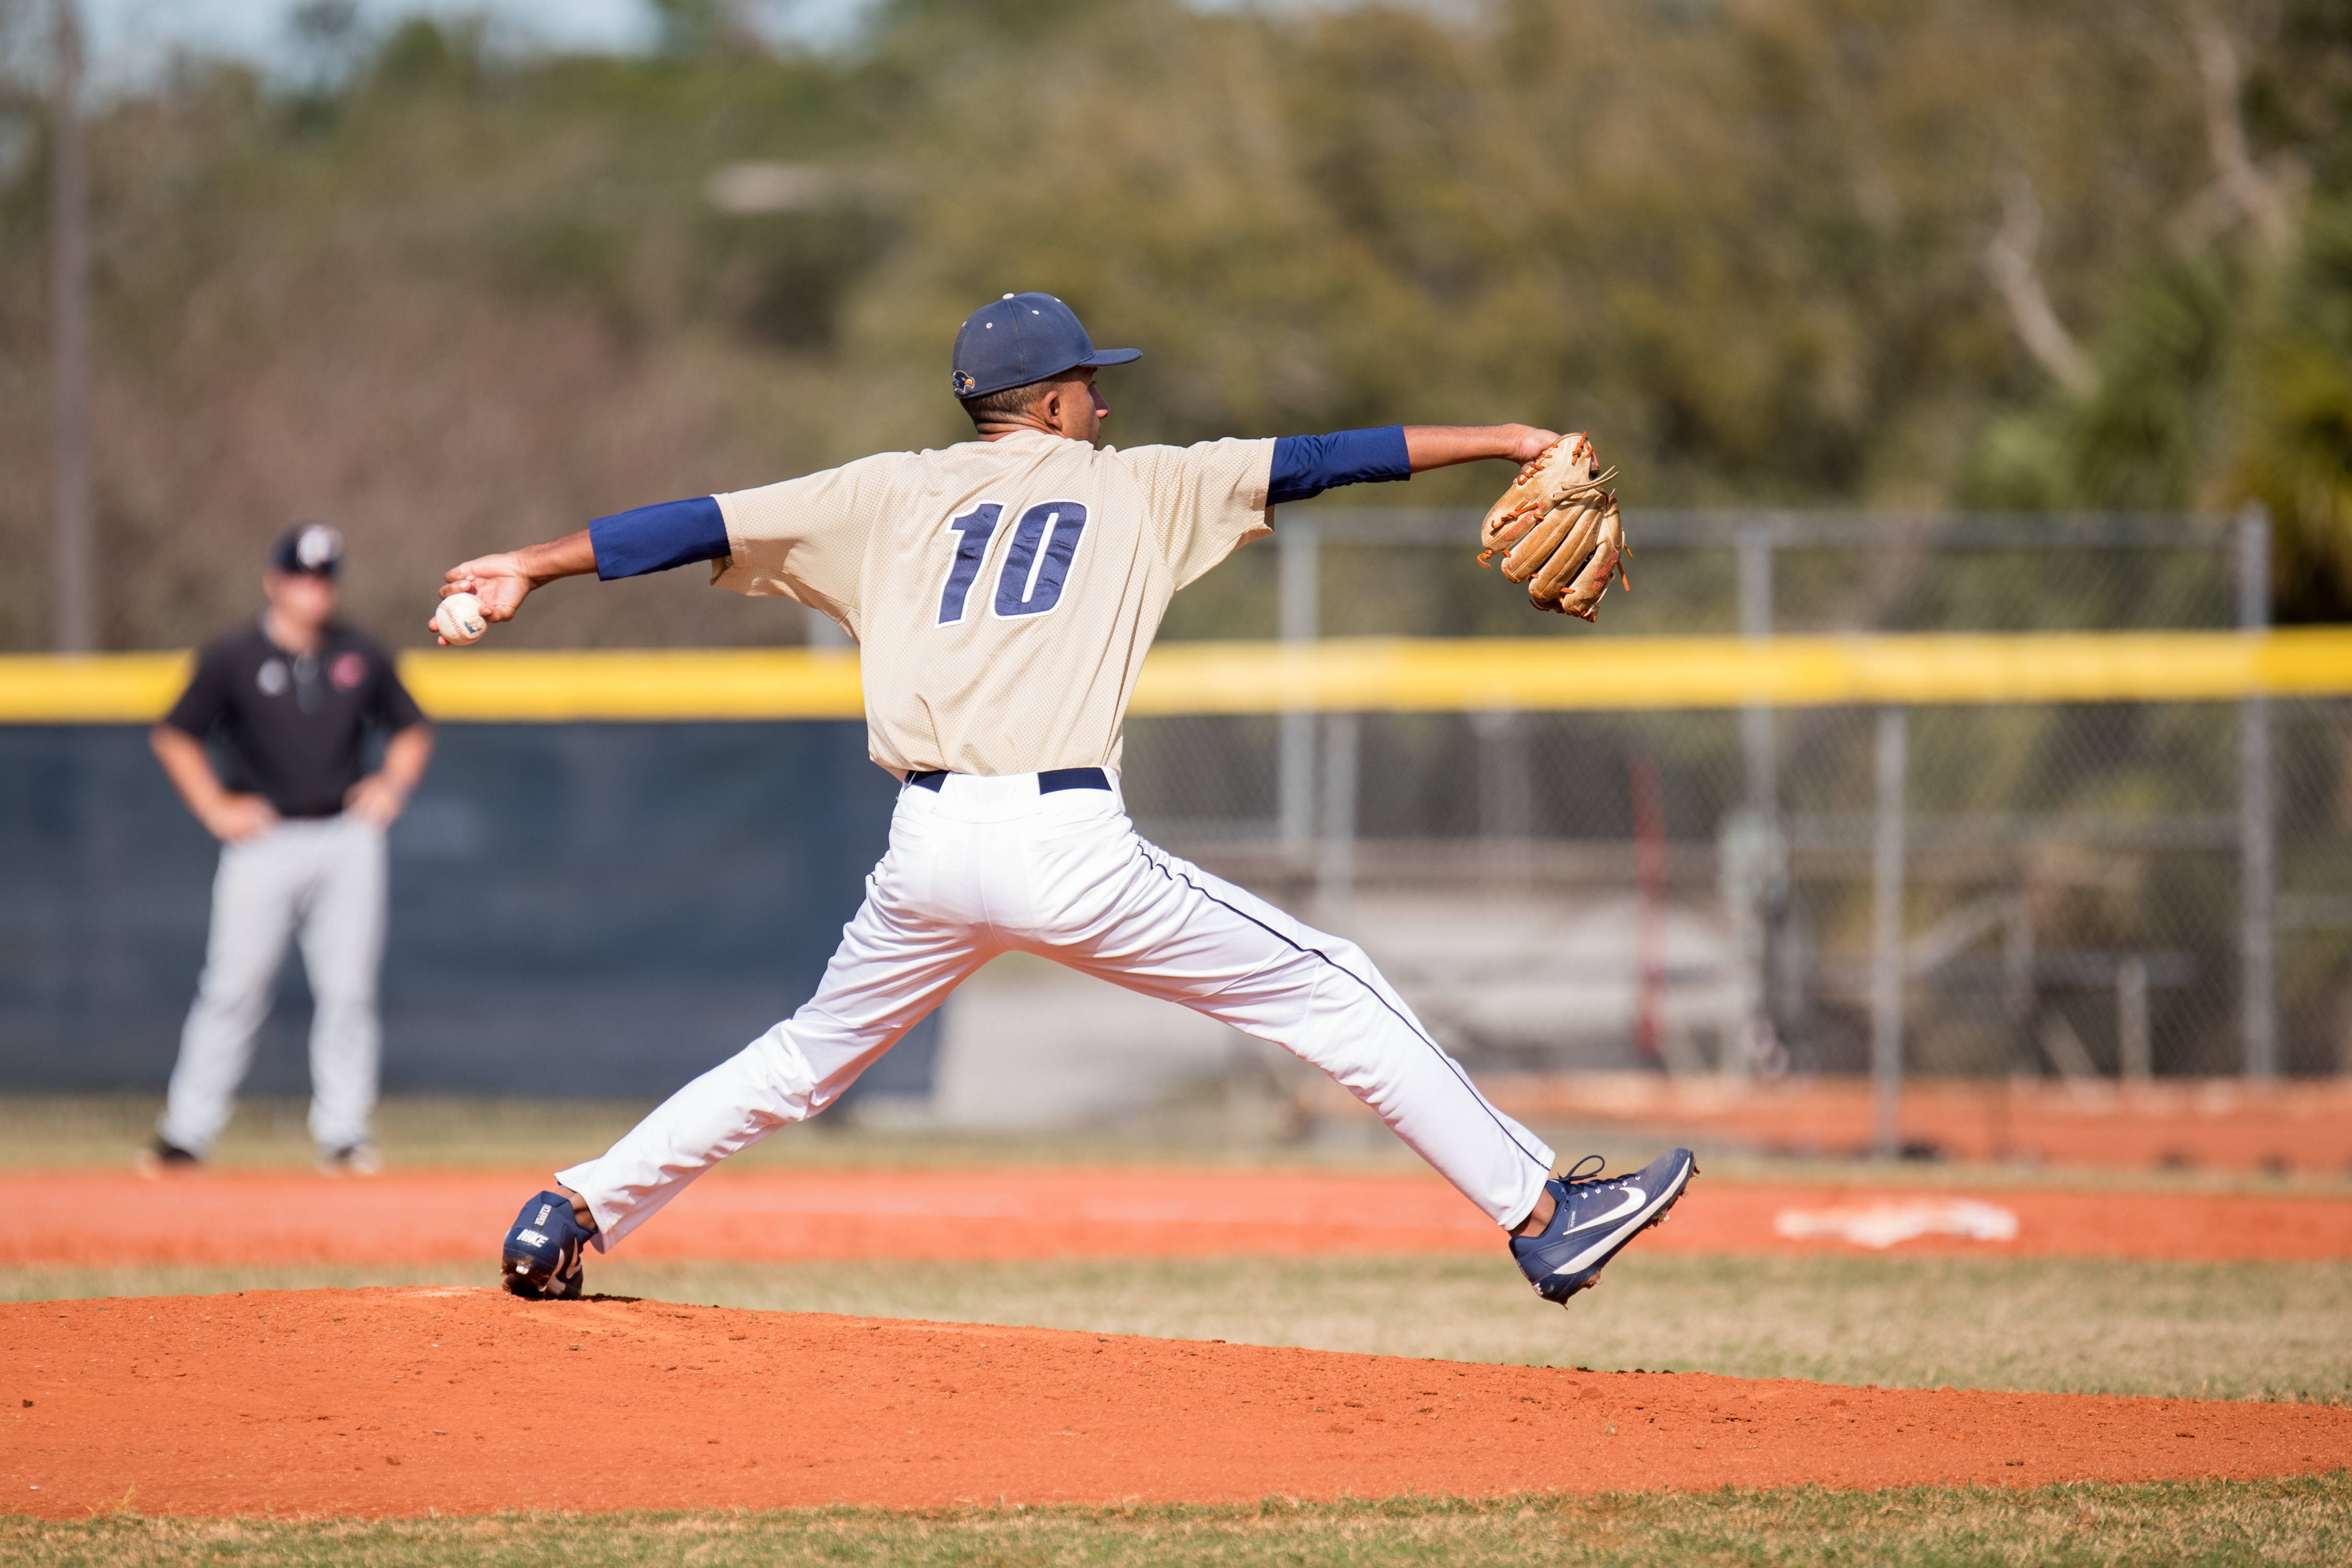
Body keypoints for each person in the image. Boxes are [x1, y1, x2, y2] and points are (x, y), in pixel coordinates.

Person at [450, 293, 1691, 1306]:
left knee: (800, 1061)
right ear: (1049, 403)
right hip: (1062, 840)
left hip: (927, 846)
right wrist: (1511, 441)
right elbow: (1327, 460)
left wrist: (528, 568)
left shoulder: (882, 493)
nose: (1106, 399)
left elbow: (688, 524)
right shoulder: (1140, 483)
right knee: (1330, 985)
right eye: (1091, 383)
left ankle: (575, 1207)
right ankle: (1543, 1215)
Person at [147, 523, 433, 1174]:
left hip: (343, 836)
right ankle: (186, 1133)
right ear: (275, 581)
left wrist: (391, 785)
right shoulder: (233, 655)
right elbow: (174, 734)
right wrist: (214, 805)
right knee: (231, 987)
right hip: (265, 839)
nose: (314, 591)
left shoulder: (359, 650)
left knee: (349, 990)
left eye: (324, 578)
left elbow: (413, 729)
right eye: (303, 577)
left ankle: (343, 1132)